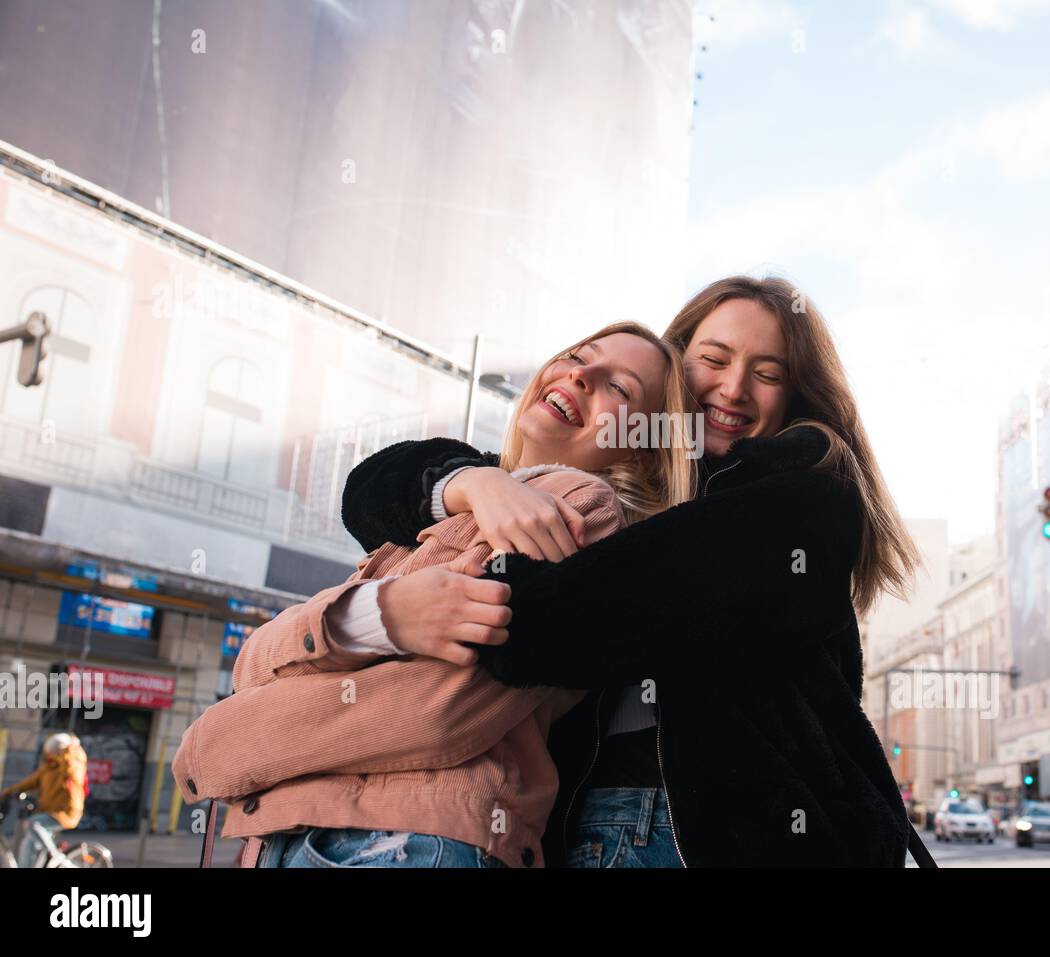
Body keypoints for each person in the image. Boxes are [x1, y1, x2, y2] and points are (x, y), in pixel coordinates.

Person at [333, 275, 931, 867]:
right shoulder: (614, 484)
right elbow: (368, 492)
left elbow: (548, 626)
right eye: (713, 360)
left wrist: (420, 601)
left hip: (695, 827)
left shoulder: (801, 497)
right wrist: (473, 482)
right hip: (569, 822)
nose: (733, 388)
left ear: (795, 398)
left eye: (768, 374)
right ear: (673, 368)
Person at [173, 323, 696, 868]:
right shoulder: (449, 502)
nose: (582, 374)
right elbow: (250, 666)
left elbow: (433, 708)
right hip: (297, 837)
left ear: (640, 451)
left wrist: (220, 740)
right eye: (578, 355)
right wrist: (384, 614)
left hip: (404, 842)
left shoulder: (580, 509)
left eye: (620, 388)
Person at [1, 732, 88, 868]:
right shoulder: (47, 769)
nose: (49, 755)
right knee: (28, 843)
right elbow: (28, 783)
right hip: (47, 812)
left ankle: (56, 856)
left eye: (53, 752)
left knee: (32, 824)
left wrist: (70, 749)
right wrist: (6, 792)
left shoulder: (73, 764)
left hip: (65, 813)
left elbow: (71, 771)